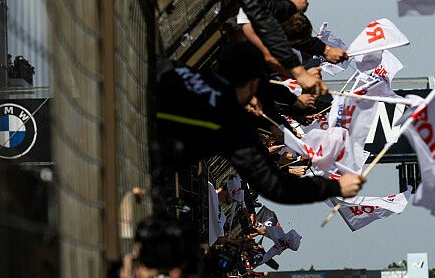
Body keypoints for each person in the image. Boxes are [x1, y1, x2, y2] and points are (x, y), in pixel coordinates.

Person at [155, 42, 365, 204]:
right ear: (254, 82)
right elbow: (275, 186)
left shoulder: (176, 69)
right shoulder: (232, 124)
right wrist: (334, 188)